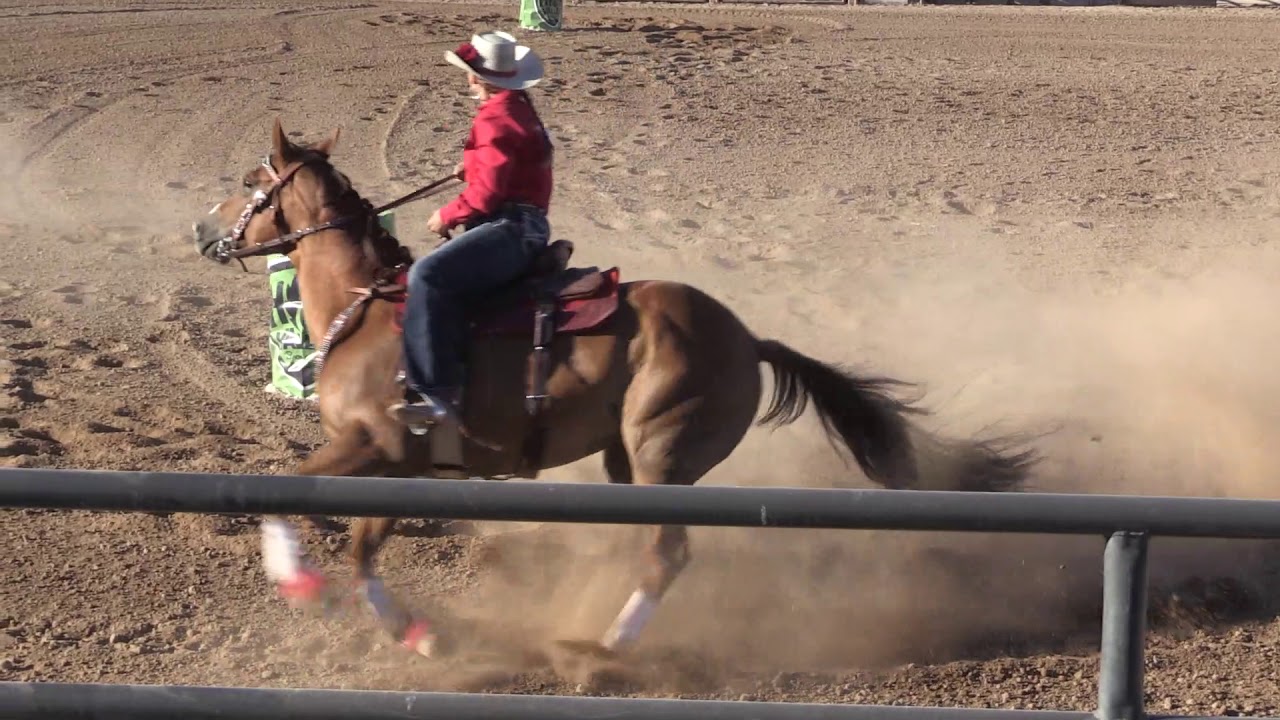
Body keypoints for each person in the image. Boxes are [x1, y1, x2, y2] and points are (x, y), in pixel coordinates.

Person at [389, 31, 554, 428]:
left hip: (510, 227)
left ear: (476, 78)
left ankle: (436, 394)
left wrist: (448, 214)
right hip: (525, 224)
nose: (467, 81)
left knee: (426, 275)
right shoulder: (519, 108)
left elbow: (489, 193)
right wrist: (475, 165)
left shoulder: (496, 117)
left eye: (469, 75)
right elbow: (512, 164)